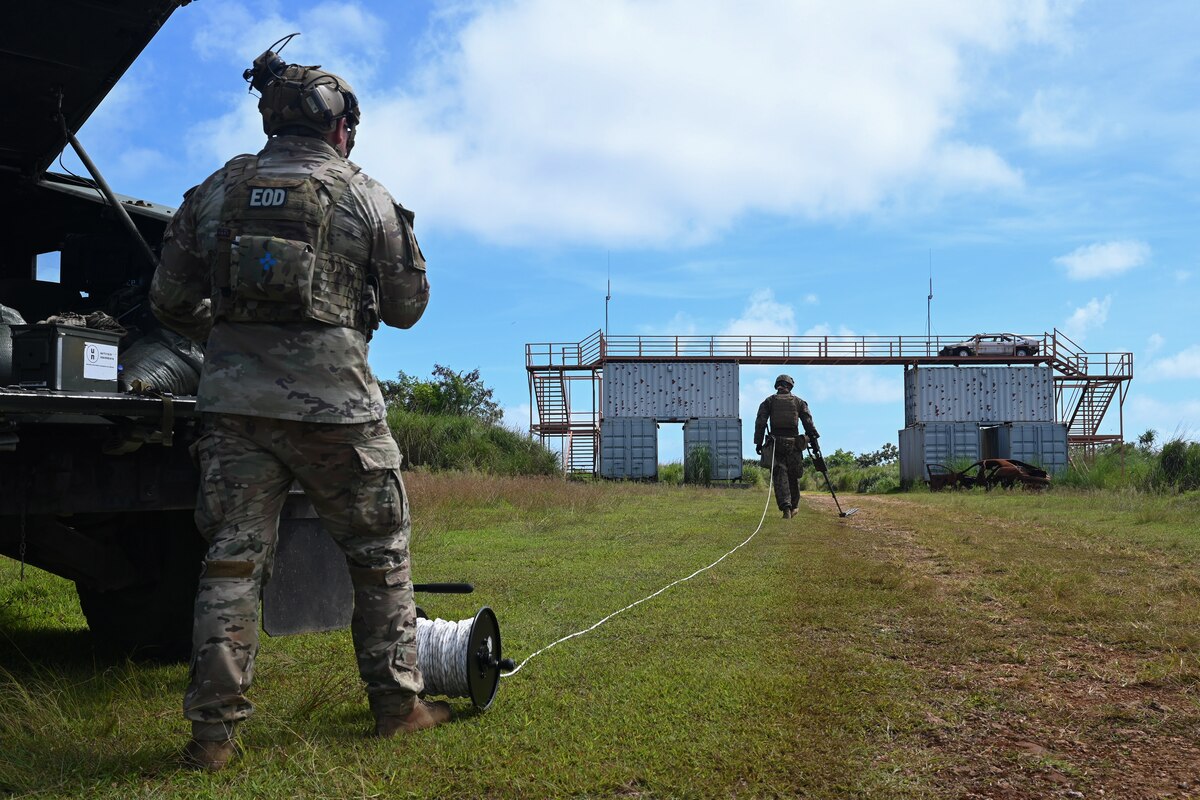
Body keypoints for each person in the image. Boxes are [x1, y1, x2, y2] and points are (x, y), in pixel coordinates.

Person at [150, 47, 444, 771]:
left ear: (271, 119)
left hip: (234, 411)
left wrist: (228, 340)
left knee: (231, 564)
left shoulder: (216, 191)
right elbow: (408, 308)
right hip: (339, 411)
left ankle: (213, 740)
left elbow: (169, 301)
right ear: (341, 126)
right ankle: (398, 708)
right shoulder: (365, 195)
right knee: (378, 555)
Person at [753, 374, 821, 518]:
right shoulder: (799, 402)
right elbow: (808, 423)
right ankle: (794, 506)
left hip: (776, 444)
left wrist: (758, 443)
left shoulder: (768, 402)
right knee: (793, 476)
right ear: (790, 386)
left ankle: (786, 507)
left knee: (779, 475)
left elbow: (760, 423)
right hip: (794, 444)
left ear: (776, 386)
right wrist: (814, 442)